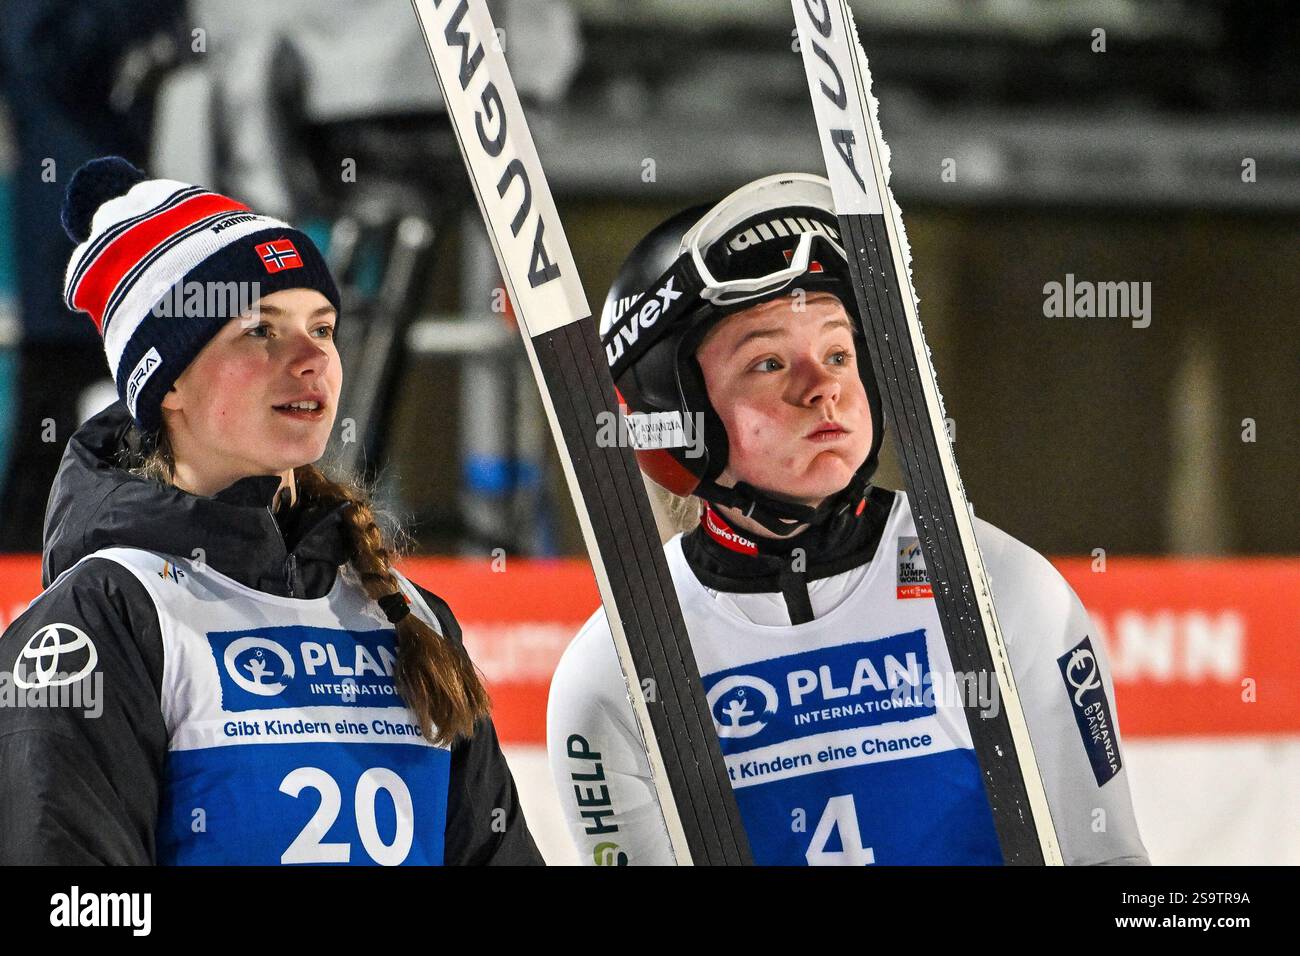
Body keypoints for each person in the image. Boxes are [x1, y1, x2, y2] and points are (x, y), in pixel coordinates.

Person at [547, 173, 1148, 866]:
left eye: (838, 352)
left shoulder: (998, 588)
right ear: (670, 420)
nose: (822, 387)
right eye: (769, 362)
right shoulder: (612, 675)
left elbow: (1111, 862)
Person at [0, 157, 542, 865]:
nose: (310, 359)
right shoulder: (106, 616)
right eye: (260, 330)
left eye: (321, 328)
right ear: (168, 384)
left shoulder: (405, 612)